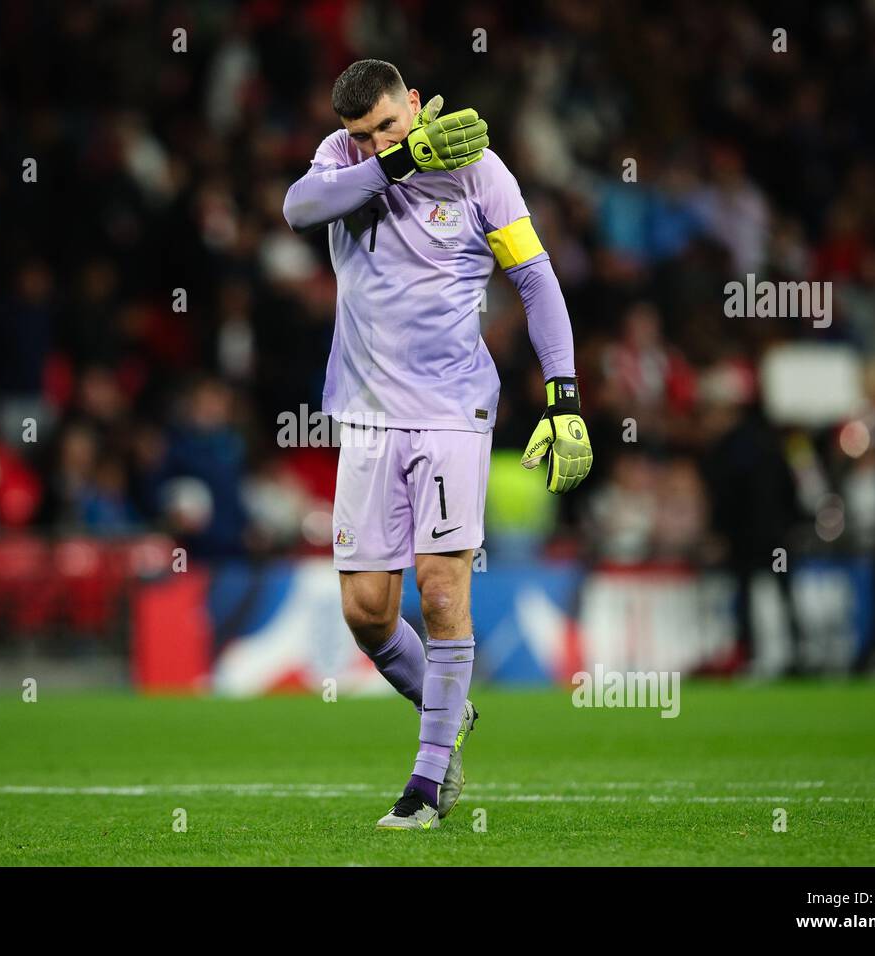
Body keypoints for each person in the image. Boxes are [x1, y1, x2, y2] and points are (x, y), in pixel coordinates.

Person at [283, 59, 591, 830]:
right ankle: (447, 710)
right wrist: (397, 158)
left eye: (389, 124)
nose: (372, 141)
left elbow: (536, 279)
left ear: (414, 104)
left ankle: (425, 782)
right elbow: (299, 209)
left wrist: (564, 394)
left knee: (444, 589)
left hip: (454, 411)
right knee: (365, 612)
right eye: (361, 133)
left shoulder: (481, 170)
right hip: (366, 415)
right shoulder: (344, 160)